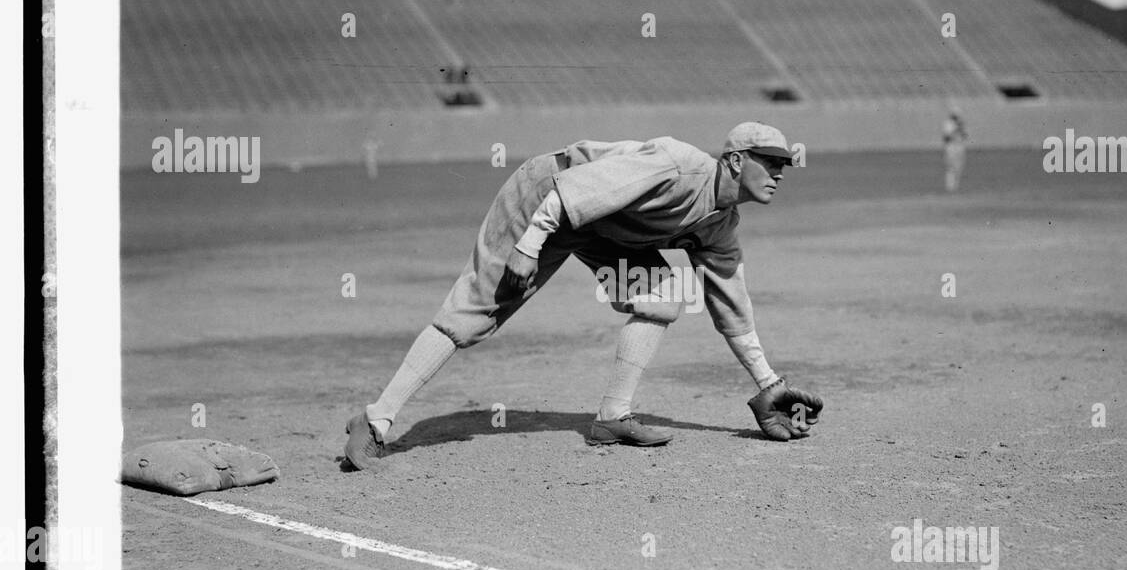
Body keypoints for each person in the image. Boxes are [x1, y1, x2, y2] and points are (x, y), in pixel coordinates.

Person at [343, 121, 823, 469]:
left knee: (661, 298)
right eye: (772, 162)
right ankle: (376, 420)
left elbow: (732, 311)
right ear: (737, 161)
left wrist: (767, 385)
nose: (780, 173)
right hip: (543, 199)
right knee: (474, 314)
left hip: (599, 229)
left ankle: (612, 417)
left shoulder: (721, 225)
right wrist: (528, 248)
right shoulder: (675, 166)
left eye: (785, 165)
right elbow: (569, 191)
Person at [942, 104, 969, 193]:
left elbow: (965, 136)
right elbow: (946, 137)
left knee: (959, 167)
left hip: (960, 146)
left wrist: (961, 129)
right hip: (951, 147)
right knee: (950, 167)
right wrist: (956, 129)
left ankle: (955, 186)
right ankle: (950, 187)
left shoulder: (962, 124)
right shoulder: (948, 124)